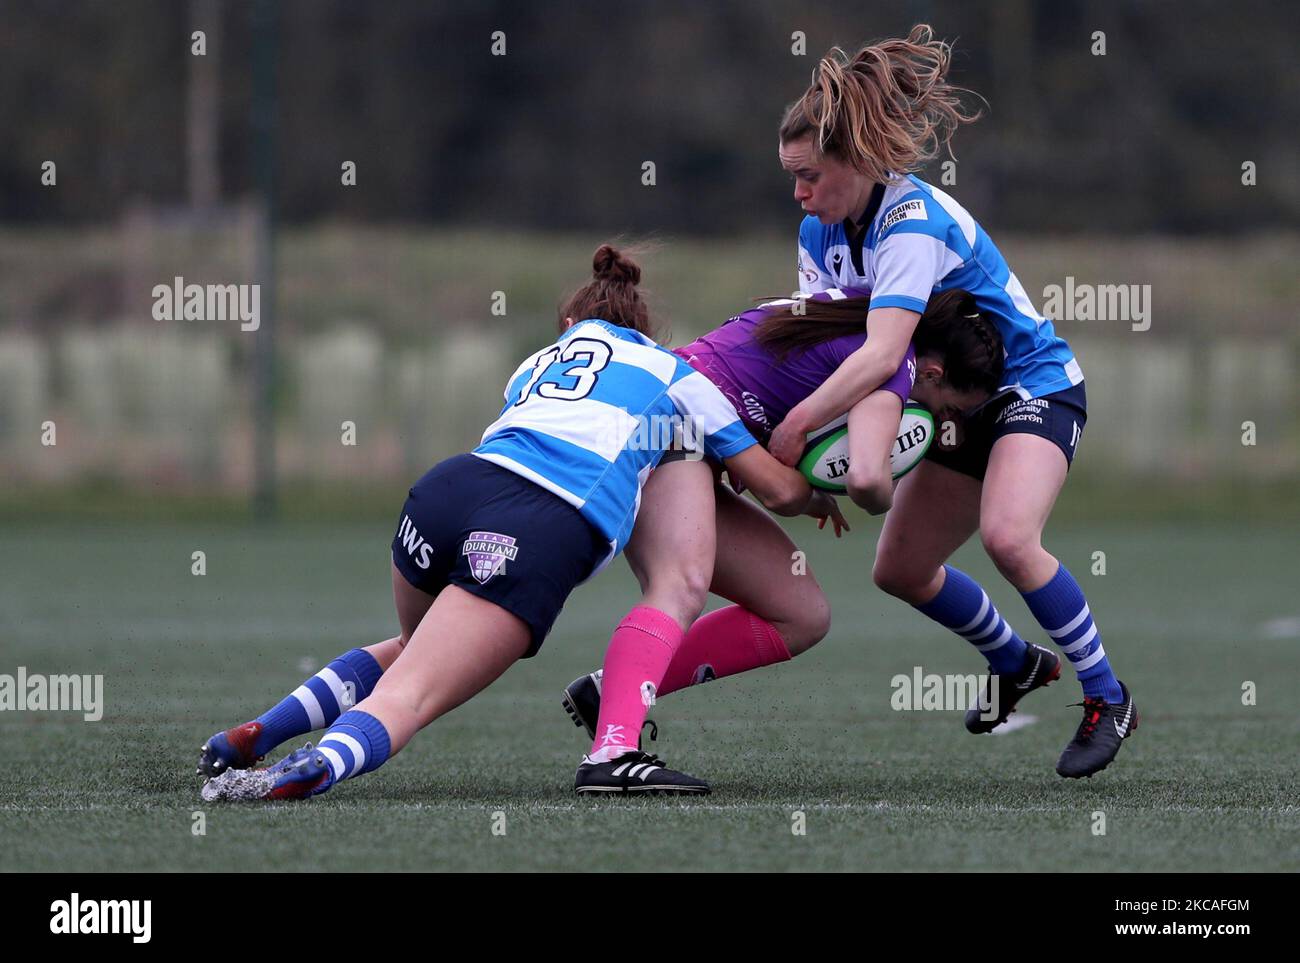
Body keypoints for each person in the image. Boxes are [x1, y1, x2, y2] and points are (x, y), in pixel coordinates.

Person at [197, 244, 824, 801]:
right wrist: (822, 479)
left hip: (446, 495)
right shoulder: (673, 370)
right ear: (643, 328)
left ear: (572, 326)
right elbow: (777, 490)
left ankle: (260, 731)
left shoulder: (534, 363)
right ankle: (318, 767)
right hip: (540, 521)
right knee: (411, 696)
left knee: (418, 651)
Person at [768, 24, 1137, 777]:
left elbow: (877, 354)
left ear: (859, 161)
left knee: (1008, 537)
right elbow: (836, 355)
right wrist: (823, 451)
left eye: (810, 175)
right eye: (791, 178)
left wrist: (801, 426)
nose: (800, 194)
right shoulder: (820, 231)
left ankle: (1108, 695)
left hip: (1027, 387)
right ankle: (1015, 661)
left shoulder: (912, 221)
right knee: (898, 569)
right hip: (944, 401)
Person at [562, 286, 1007, 755]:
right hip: (666, 429)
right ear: (934, 373)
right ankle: (613, 751)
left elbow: (761, 404)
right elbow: (866, 481)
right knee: (680, 585)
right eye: (952, 409)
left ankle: (612, 691)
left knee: (802, 614)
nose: (945, 420)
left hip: (681, 428)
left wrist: (807, 490)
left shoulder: (858, 308)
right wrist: (884, 491)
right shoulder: (896, 363)